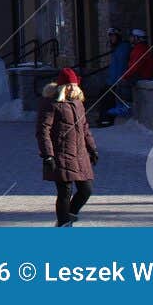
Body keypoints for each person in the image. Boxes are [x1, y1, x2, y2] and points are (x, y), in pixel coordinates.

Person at [36, 67, 99, 227]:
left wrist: (92, 149)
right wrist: (48, 155)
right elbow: (43, 131)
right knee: (65, 191)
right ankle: (64, 224)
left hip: (80, 154)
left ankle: (68, 216)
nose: (73, 88)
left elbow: (84, 129)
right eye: (69, 85)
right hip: (60, 154)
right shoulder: (51, 104)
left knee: (86, 190)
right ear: (62, 86)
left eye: (74, 85)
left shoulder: (78, 104)